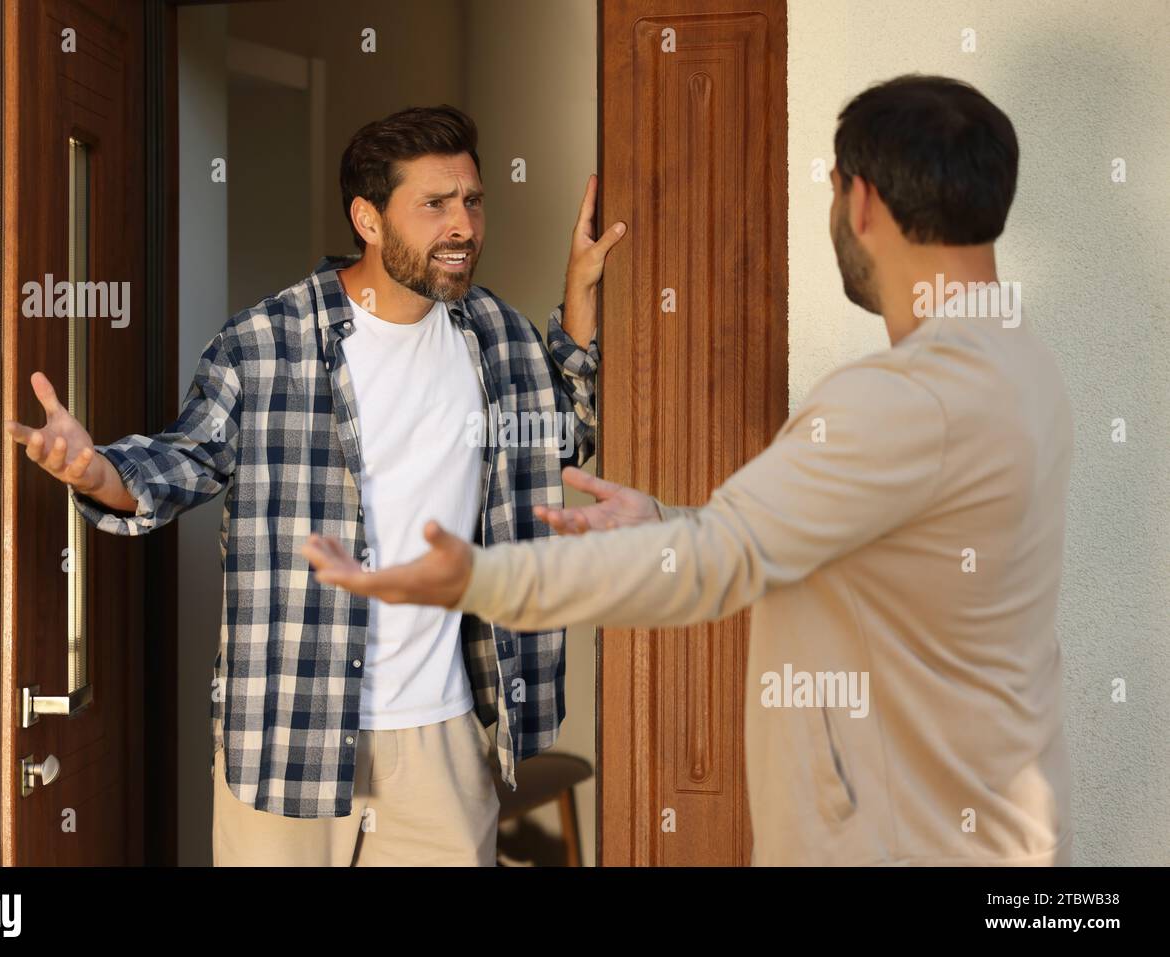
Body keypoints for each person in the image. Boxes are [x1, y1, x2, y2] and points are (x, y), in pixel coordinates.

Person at [302, 76, 1075, 866]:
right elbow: (822, 543)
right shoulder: (1023, 366)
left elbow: (714, 565)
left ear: (863, 203)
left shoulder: (899, 400)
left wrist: (471, 579)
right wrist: (667, 522)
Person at [5, 104, 625, 866]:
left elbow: (562, 440)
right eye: (434, 204)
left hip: (443, 737)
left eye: (472, 199)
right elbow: (183, 463)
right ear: (368, 218)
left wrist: (580, 305)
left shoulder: (495, 335)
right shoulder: (266, 343)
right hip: (287, 734)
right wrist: (98, 469)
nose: (463, 225)